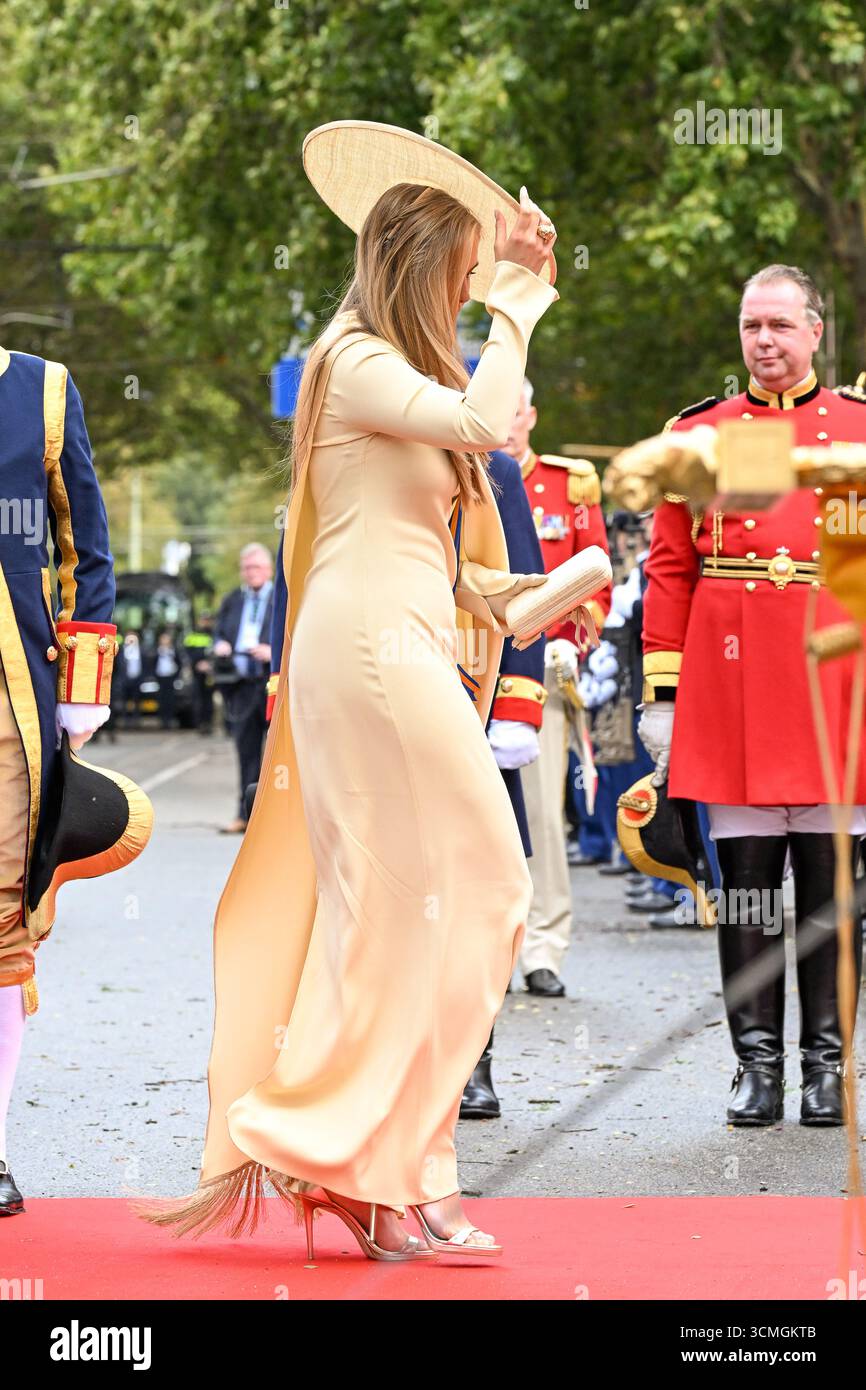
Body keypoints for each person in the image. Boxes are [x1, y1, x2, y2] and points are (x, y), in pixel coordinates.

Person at [136, 120, 564, 1259]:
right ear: (422, 268)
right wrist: (519, 306)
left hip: (393, 643)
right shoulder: (354, 360)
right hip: (372, 656)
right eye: (465, 274)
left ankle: (377, 1168)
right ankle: (362, 1159)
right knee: (476, 883)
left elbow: (410, 546)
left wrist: (518, 588)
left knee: (425, 904)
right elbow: (483, 420)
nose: (472, 294)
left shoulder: (389, 373)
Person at [639, 263, 866, 1126]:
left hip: (830, 678)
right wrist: (662, 692)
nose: (763, 342)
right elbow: (671, 568)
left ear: (814, 332)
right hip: (730, 684)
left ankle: (826, 1070)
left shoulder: (854, 430)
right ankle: (758, 1069)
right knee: (744, 889)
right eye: (750, 327)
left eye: (779, 326)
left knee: (830, 891)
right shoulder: (701, 435)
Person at [0, 344, 117, 1214]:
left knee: (4, 915)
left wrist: (81, 691)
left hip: (12, 693)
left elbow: (88, 545)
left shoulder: (40, 387)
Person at [505, 381, 612, 995]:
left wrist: (574, 635)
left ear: (531, 415)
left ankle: (543, 946)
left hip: (541, 669)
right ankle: (488, 942)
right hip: (473, 669)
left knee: (544, 815)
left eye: (513, 409)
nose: (504, 420)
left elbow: (596, 575)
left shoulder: (564, 485)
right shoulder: (461, 477)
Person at [212, 544, 274, 833]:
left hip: (272, 683)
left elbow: (297, 633)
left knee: (278, 752)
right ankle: (245, 814)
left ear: (269, 569)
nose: (253, 573)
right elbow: (219, 633)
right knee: (246, 752)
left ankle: (277, 816)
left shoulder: (282, 598)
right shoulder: (232, 600)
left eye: (258, 567)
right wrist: (220, 645)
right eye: (248, 568)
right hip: (240, 685)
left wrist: (273, 651)